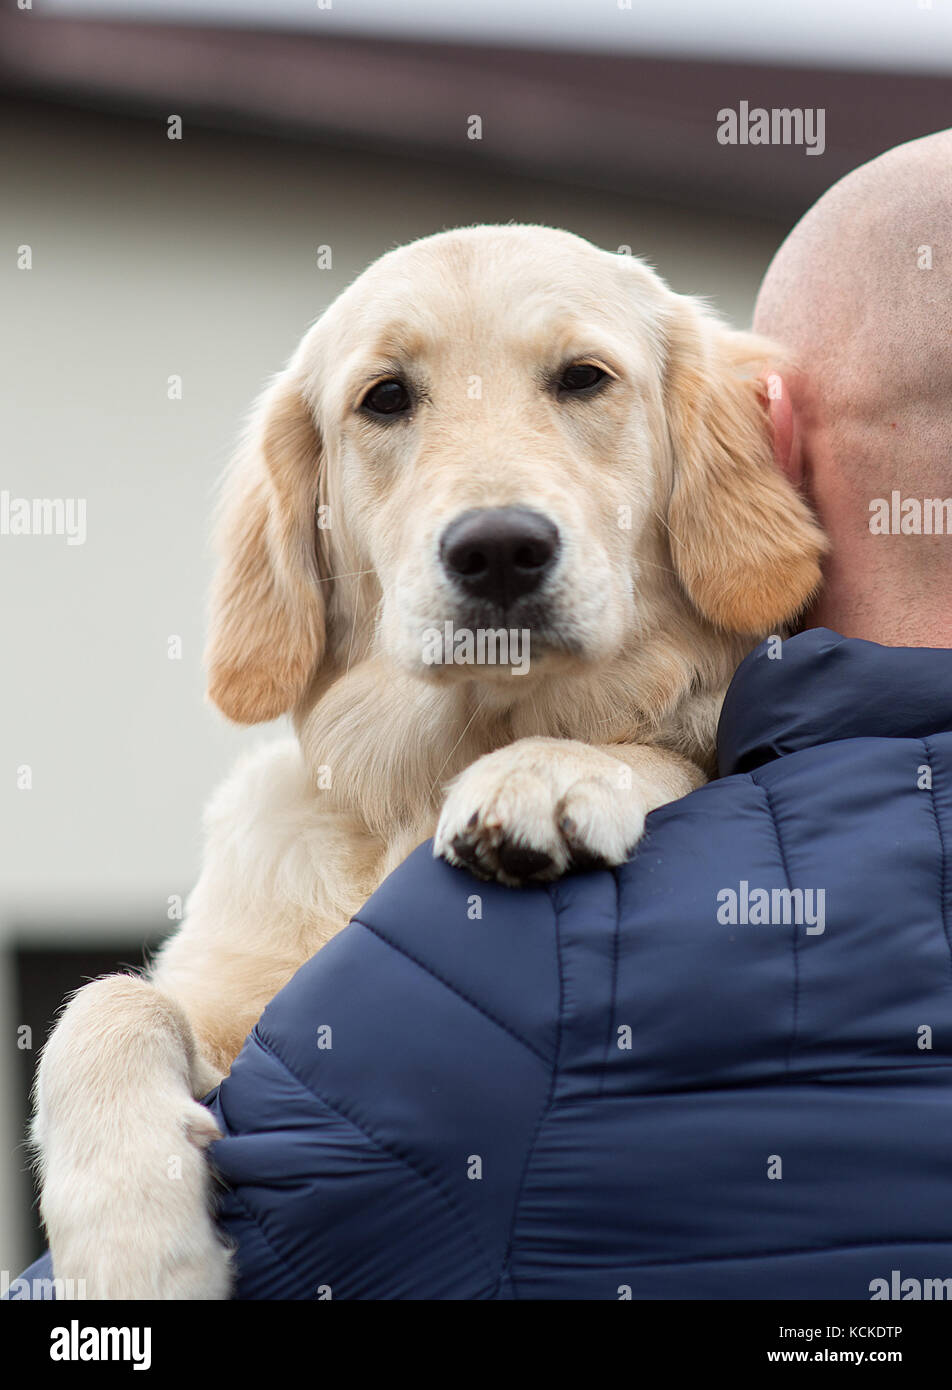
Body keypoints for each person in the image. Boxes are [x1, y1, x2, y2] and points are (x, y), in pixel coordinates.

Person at [11, 131, 952, 1301]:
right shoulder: (267, 860)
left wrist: (624, 767)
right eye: (389, 400)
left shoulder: (730, 821)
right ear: (308, 520)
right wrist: (105, 1076)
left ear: (723, 454)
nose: (494, 509)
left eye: (579, 381)